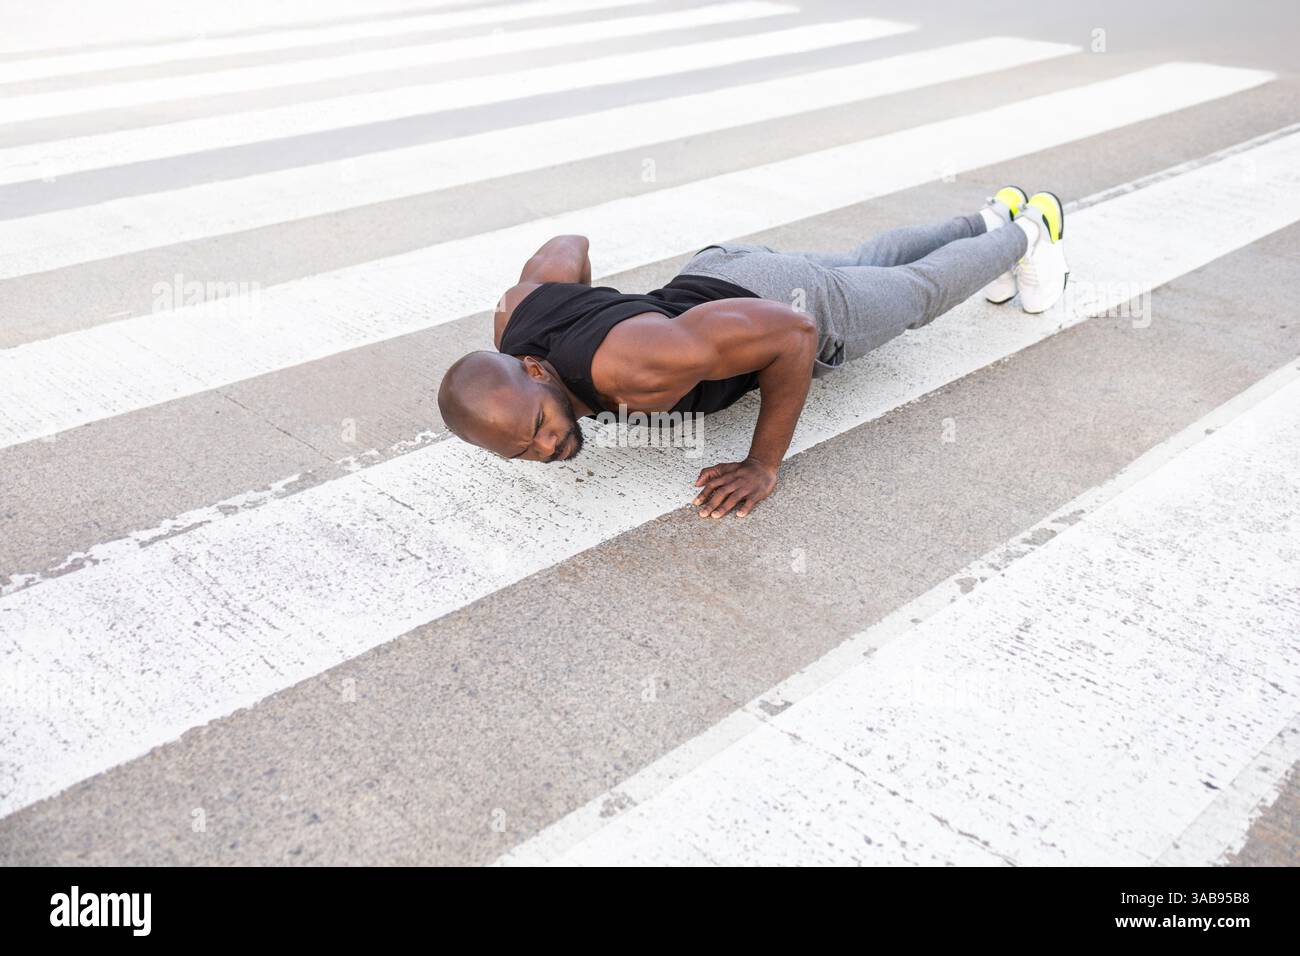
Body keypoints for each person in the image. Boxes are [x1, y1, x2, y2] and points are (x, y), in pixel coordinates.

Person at [438, 187, 1066, 519]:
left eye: (540, 427)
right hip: (721, 269)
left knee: (918, 292)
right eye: (522, 449)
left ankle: (1030, 232)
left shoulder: (634, 371)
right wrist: (602, 311)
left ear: (534, 369)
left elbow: (793, 334)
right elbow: (567, 243)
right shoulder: (516, 315)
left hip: (784, 307)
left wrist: (763, 463)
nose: (546, 447)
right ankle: (990, 217)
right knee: (866, 260)